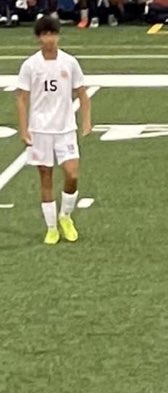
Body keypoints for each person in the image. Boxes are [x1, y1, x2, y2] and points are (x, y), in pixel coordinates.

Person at [14, 15, 90, 246]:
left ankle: (65, 216)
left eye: (53, 34)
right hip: (40, 130)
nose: (49, 39)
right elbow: (21, 97)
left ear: (58, 36)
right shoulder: (30, 65)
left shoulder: (69, 62)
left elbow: (82, 93)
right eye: (45, 35)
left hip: (65, 128)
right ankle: (51, 228)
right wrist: (24, 128)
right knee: (45, 177)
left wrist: (86, 120)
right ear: (39, 38)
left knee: (72, 174)